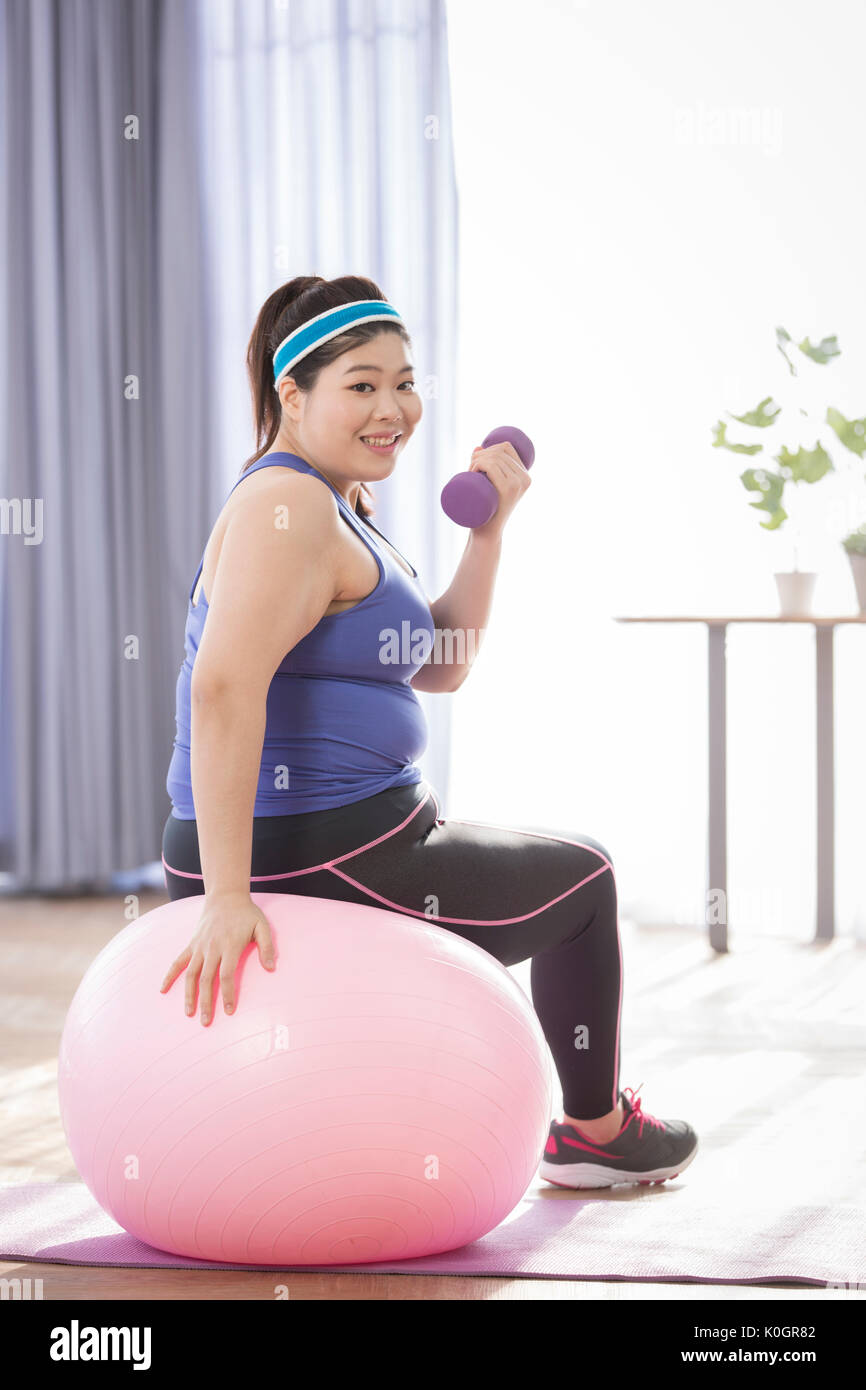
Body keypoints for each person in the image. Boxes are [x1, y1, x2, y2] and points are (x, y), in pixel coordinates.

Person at [159, 273, 698, 1190]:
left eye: (404, 382)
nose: (394, 409)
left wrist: (491, 533)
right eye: (361, 385)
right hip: (314, 856)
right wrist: (223, 896)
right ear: (293, 395)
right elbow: (221, 692)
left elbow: (439, 660)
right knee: (590, 877)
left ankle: (587, 1130)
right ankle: (595, 1133)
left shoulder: (332, 504)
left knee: (567, 865)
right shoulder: (282, 512)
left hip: (350, 839)